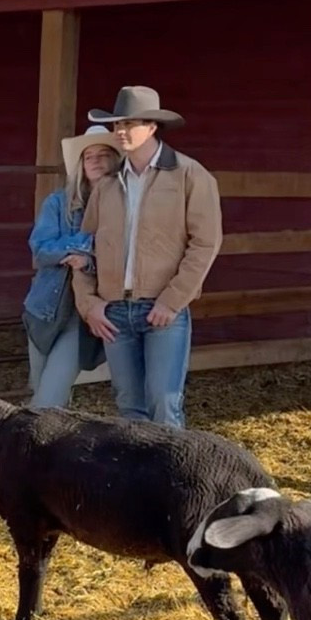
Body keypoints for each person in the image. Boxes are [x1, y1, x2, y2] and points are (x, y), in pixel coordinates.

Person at [72, 85, 222, 428]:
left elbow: (206, 243)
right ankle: (139, 482)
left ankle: (174, 481)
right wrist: (89, 303)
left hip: (161, 310)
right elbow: (83, 247)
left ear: (152, 127)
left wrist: (172, 301)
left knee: (164, 404)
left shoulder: (190, 175)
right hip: (113, 312)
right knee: (129, 410)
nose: (121, 132)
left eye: (130, 124)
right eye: (117, 125)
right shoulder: (108, 184)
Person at [23, 126, 124, 408]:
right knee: (43, 391)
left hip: (83, 315)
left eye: (103, 154)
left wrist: (87, 259)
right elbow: (41, 249)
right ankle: (48, 450)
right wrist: (86, 244)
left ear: (115, 160)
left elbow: (124, 255)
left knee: (46, 401)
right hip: (43, 310)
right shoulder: (58, 202)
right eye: (88, 155)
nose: (95, 160)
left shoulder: (125, 207)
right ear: (80, 164)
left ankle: (25, 447)